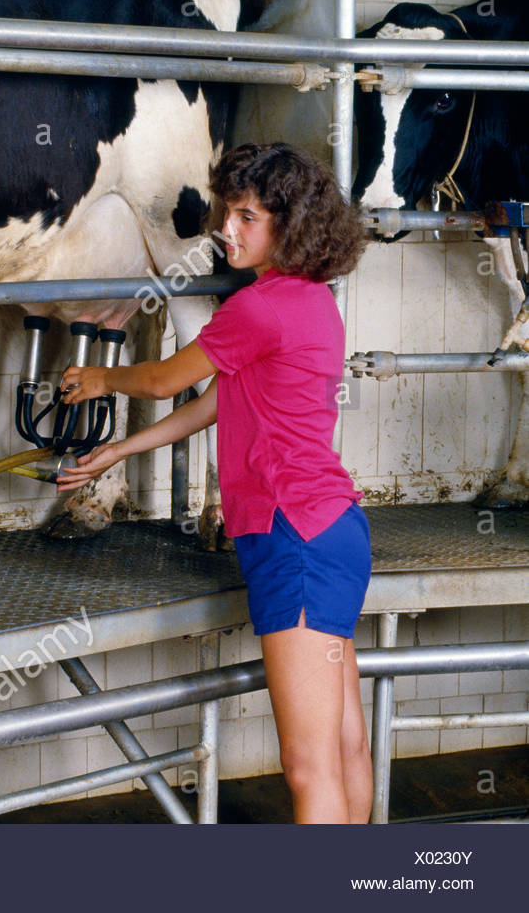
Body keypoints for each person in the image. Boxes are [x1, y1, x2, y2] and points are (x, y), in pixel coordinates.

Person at [57, 142, 371, 823]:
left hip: (295, 539)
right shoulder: (310, 301)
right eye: (229, 212)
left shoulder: (258, 310)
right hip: (334, 530)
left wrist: (103, 379)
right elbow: (222, 400)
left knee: (307, 765)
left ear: (292, 225)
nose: (228, 228)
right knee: (344, 748)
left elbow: (167, 380)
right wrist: (121, 451)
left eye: (248, 216)